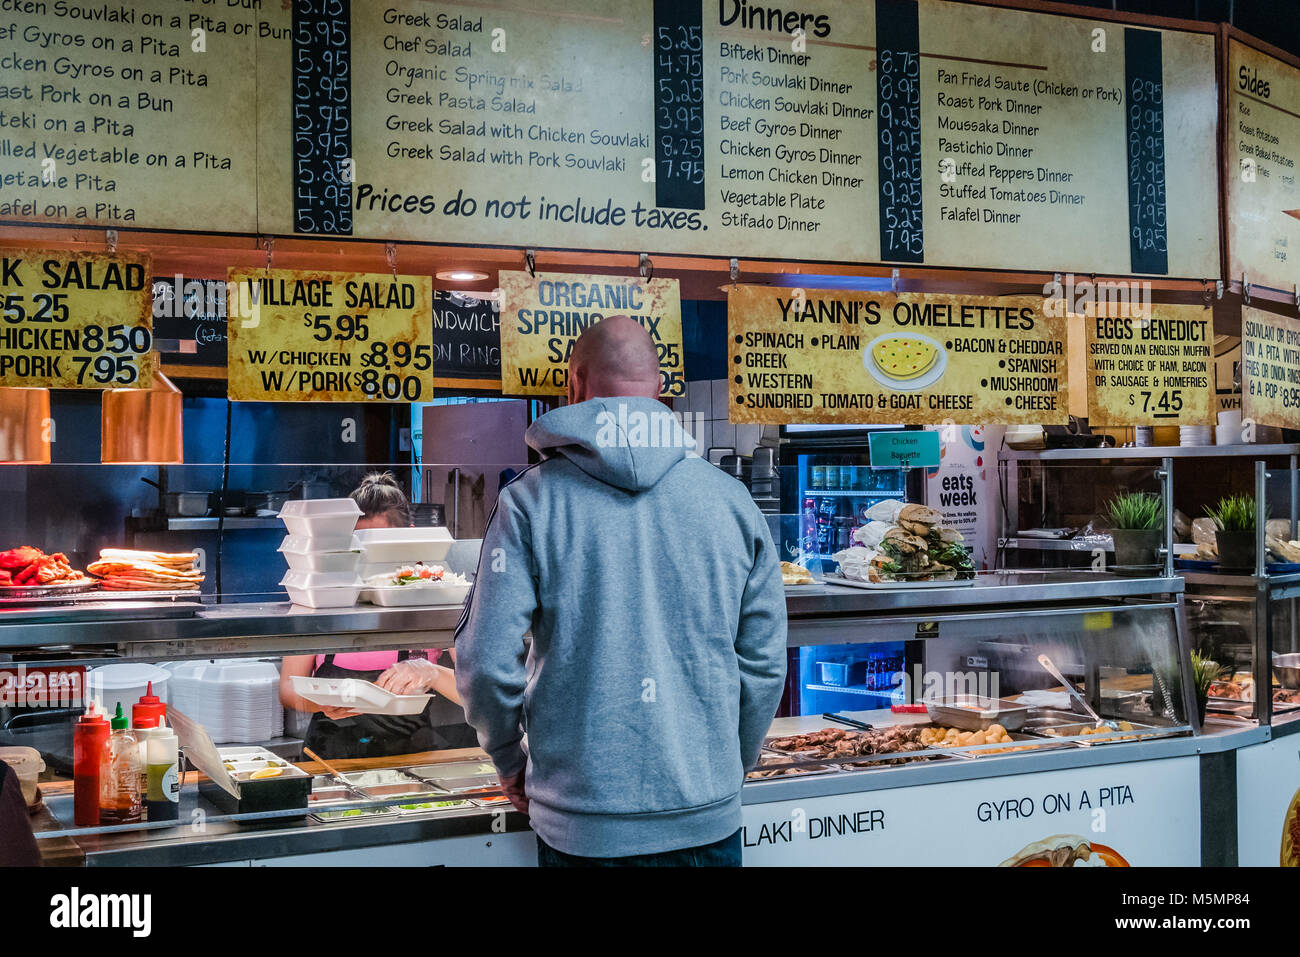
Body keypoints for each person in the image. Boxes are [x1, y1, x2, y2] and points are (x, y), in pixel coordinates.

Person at [455, 315, 788, 867]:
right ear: (660, 392)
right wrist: (727, 764)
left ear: (575, 384)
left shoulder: (530, 504)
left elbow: (488, 662)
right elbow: (765, 662)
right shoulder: (731, 501)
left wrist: (508, 759)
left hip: (582, 831)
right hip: (707, 822)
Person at [279, 472, 476, 759]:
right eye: (358, 544)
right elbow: (288, 689)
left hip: (411, 759)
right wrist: (320, 705)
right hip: (329, 758)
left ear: (406, 535)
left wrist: (431, 672)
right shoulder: (322, 593)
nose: (366, 556)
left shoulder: (437, 597)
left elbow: (477, 691)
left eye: (378, 545)